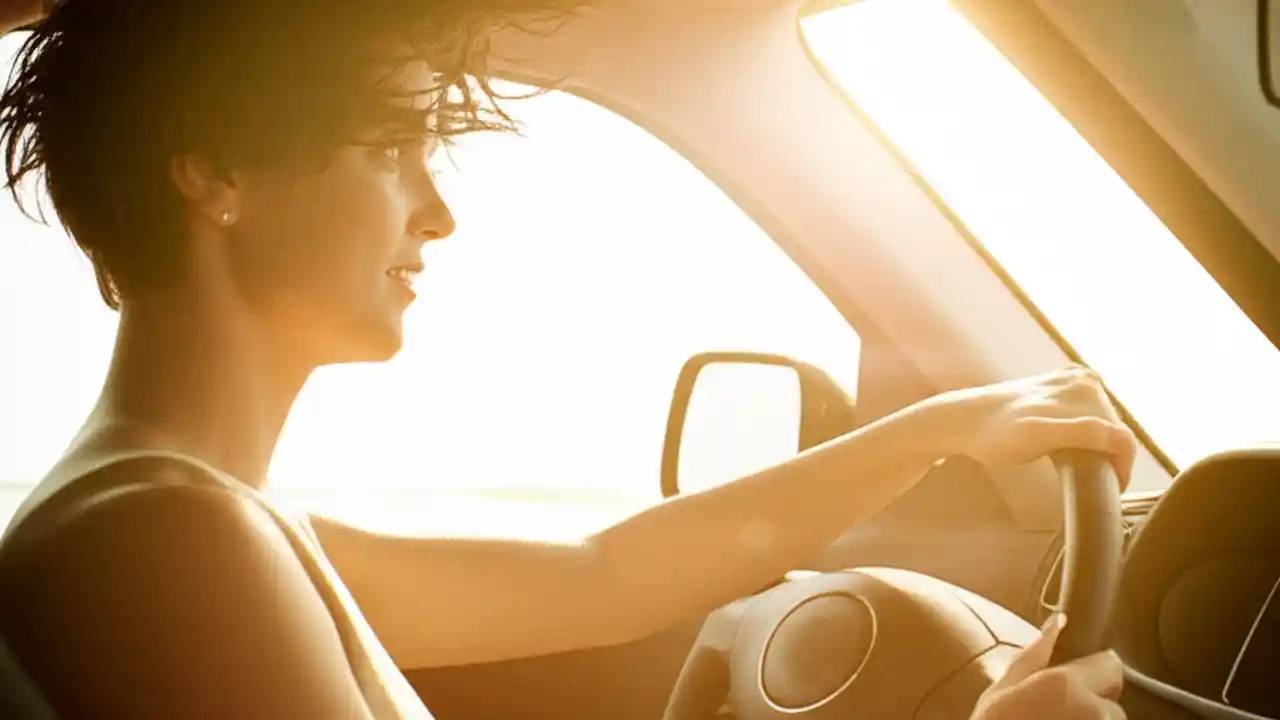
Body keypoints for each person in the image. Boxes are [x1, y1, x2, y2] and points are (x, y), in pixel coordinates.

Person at [0, 0, 1132, 717]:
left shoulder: (196, 519)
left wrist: (945, 427)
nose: (435, 213)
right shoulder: (158, 537)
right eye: (393, 146)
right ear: (215, 176)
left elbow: (609, 577)